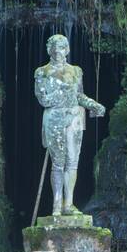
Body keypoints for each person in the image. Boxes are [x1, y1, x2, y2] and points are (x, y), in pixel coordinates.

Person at [34, 34, 106, 217]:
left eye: (61, 47)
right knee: (58, 163)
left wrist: (93, 104)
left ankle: (69, 204)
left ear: (67, 49)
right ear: (49, 50)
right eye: (54, 47)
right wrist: (61, 93)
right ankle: (57, 206)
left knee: (73, 162)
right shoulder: (42, 72)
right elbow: (43, 99)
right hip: (55, 118)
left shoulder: (76, 71)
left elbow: (79, 95)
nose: (58, 51)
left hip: (74, 118)